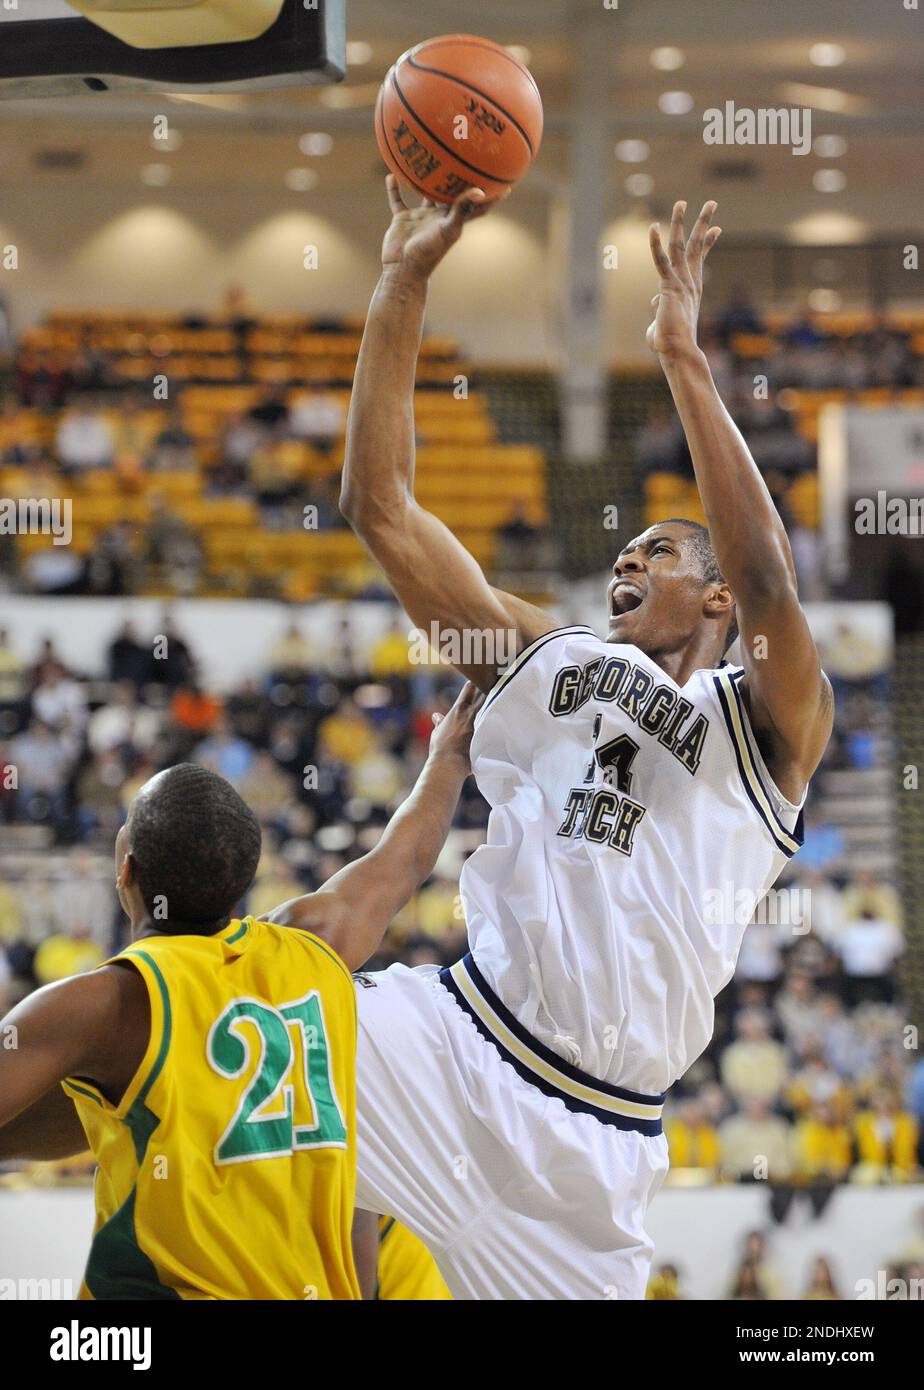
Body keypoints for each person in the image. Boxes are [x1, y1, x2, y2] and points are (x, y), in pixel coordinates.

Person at [339, 182, 833, 1299]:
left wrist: (682, 359)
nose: (624, 562)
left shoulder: (765, 729)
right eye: (619, 551)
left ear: (712, 602)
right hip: (454, 1044)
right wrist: (402, 282)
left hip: (595, 1149)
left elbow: (769, 577)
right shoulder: (558, 665)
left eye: (656, 552)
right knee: (207, 1057)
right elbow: (382, 508)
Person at [0, 685, 481, 1300]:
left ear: (127, 871)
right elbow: (405, 857)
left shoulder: (105, 1004)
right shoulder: (316, 946)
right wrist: (446, 758)